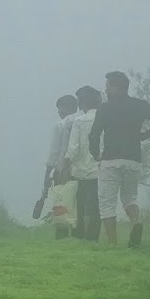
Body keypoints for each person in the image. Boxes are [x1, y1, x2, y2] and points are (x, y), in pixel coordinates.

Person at [88, 71, 150, 247]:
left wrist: (95, 154)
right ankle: (135, 222)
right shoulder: (141, 105)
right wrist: (143, 136)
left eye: (108, 86)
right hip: (133, 160)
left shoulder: (105, 108)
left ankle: (113, 244)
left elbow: (94, 135)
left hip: (110, 160)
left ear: (116, 87)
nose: (105, 90)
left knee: (107, 205)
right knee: (130, 198)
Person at [62, 85, 102, 241]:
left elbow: (73, 148)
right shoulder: (105, 118)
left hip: (80, 171)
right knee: (95, 206)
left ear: (83, 102)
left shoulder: (79, 121)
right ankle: (93, 238)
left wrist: (66, 167)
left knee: (79, 205)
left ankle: (78, 236)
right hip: (100, 169)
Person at [39, 94, 78, 239]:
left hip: (62, 171)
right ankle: (78, 235)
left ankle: (62, 236)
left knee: (61, 203)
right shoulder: (82, 122)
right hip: (81, 171)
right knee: (77, 204)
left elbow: (54, 152)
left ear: (66, 108)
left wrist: (48, 173)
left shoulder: (60, 125)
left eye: (60, 109)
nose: (58, 112)